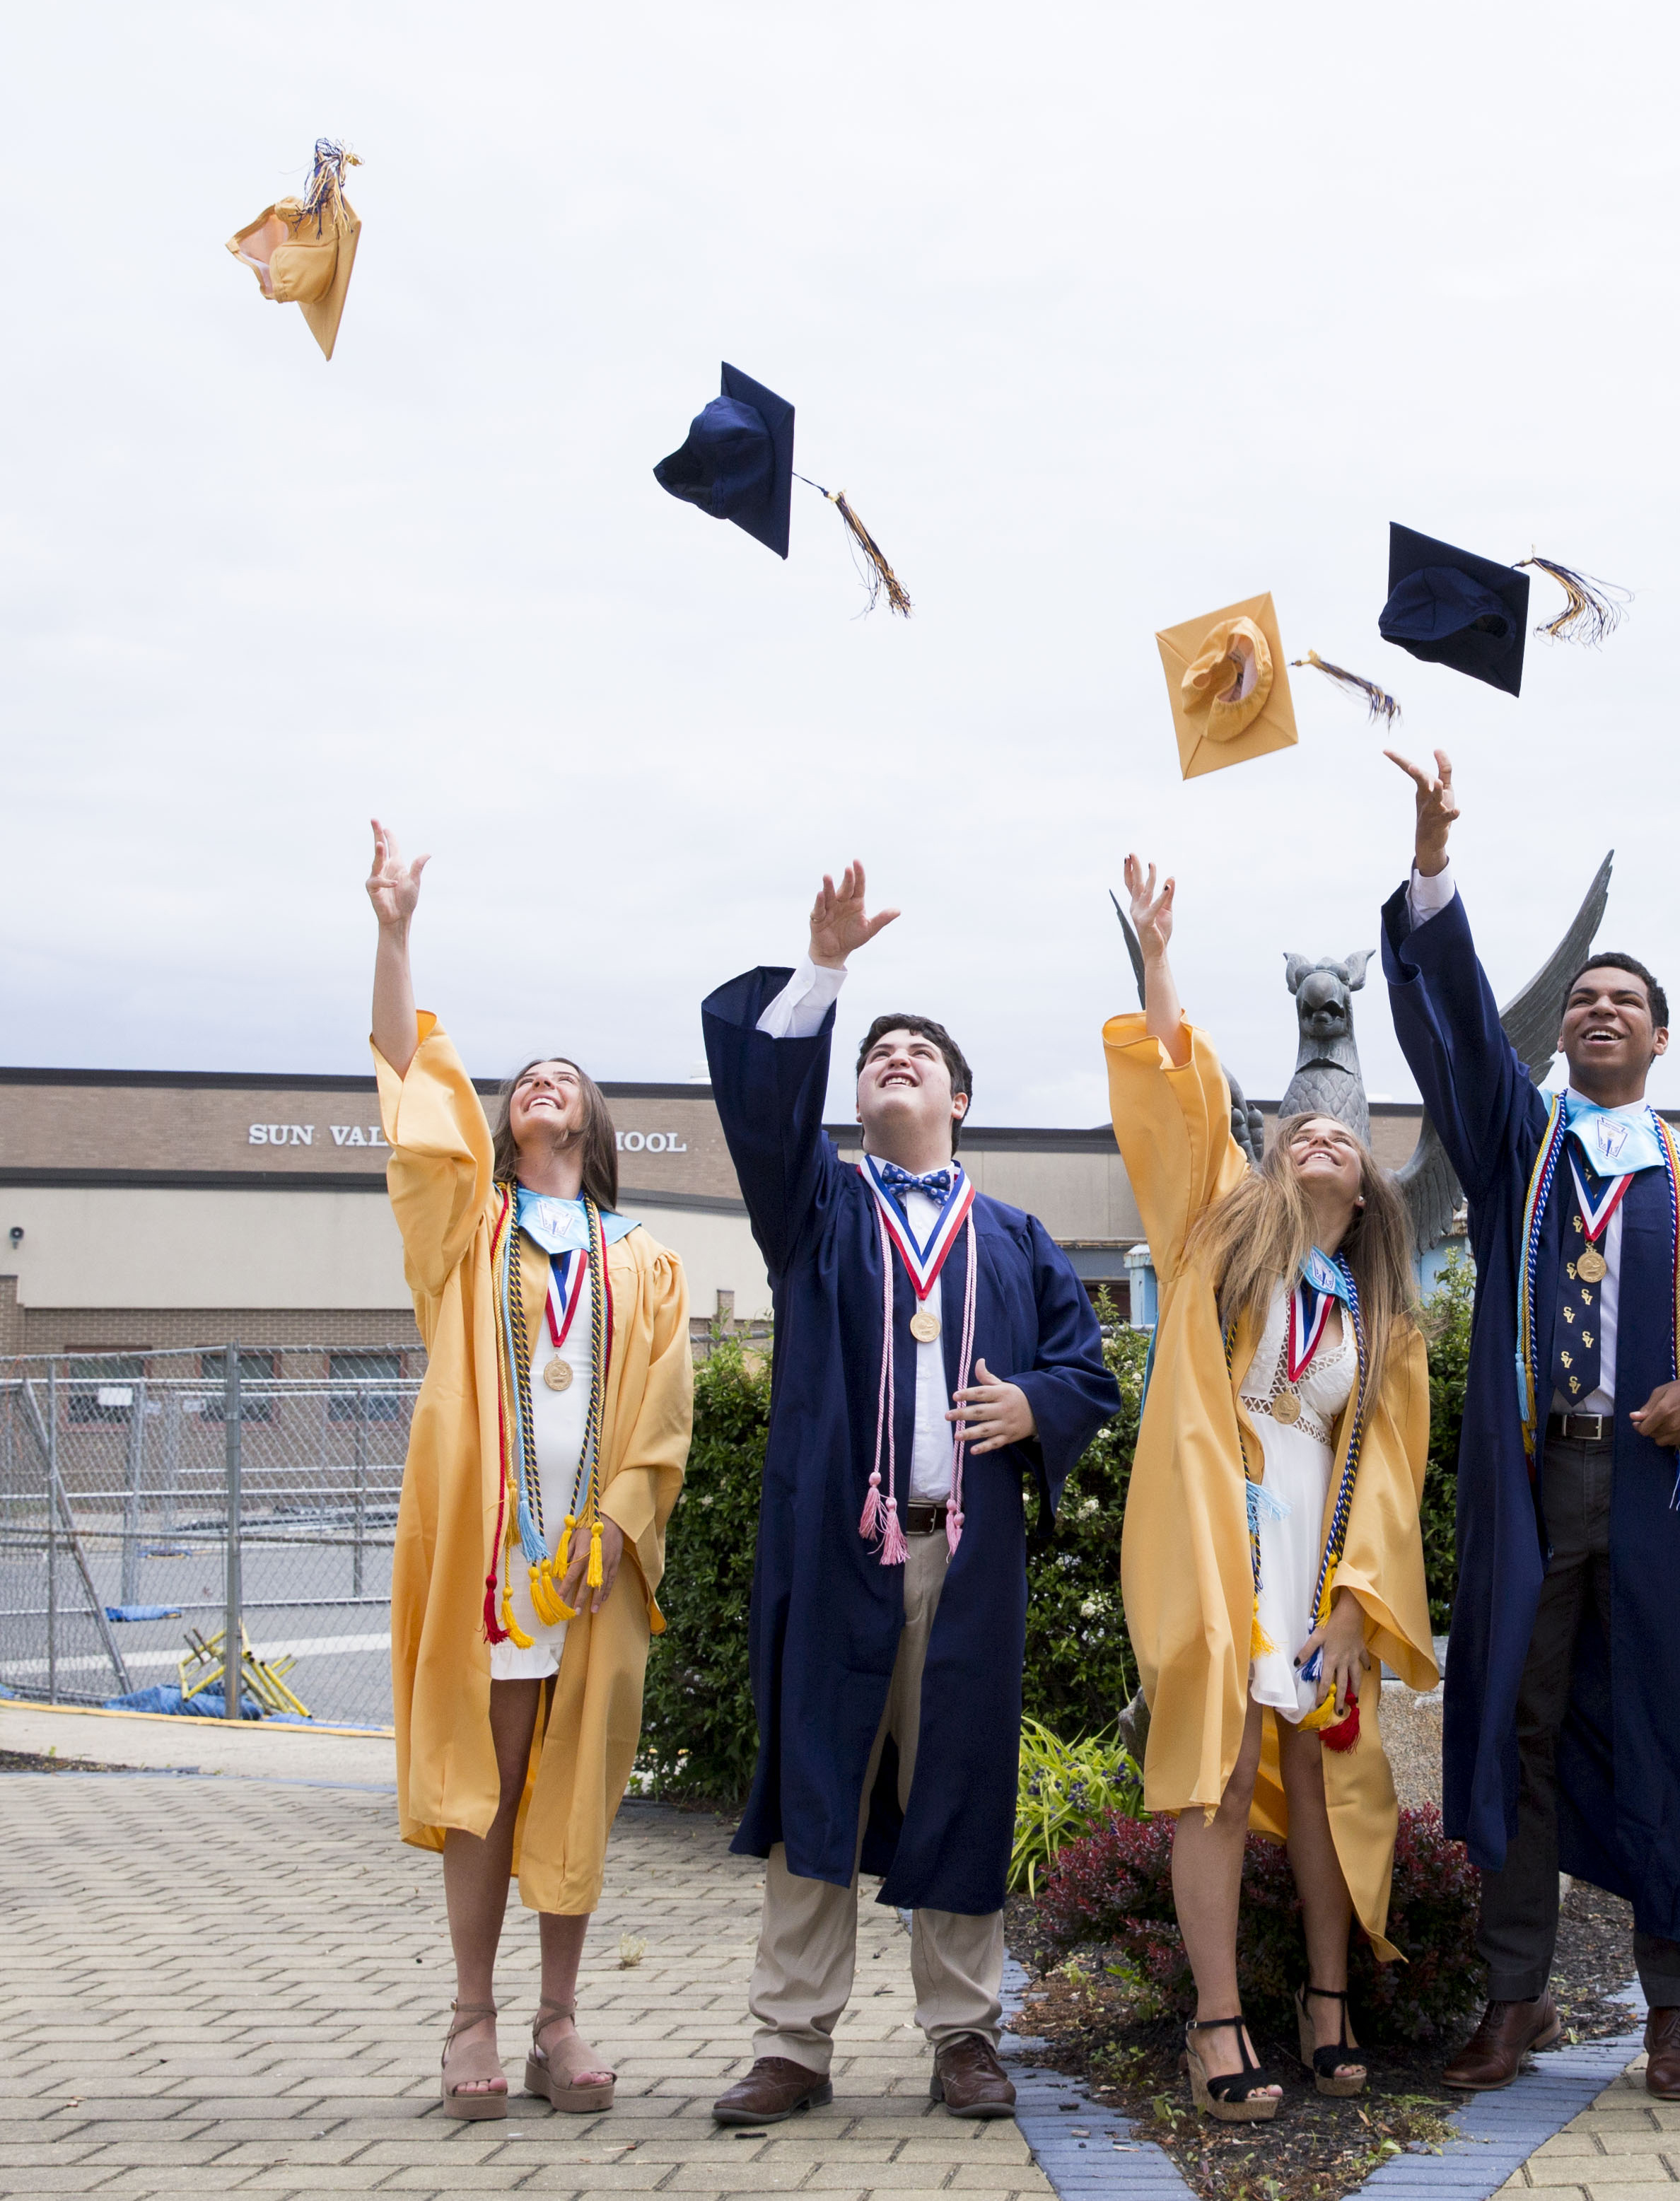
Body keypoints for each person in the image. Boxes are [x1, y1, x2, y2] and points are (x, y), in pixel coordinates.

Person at [1375, 750, 1680, 2103]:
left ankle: (1678, 2010)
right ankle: (1515, 2000)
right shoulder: (1520, 1153)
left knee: (1667, 1728)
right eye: (1587, 1001)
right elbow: (1452, 1026)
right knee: (1515, 1727)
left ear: (1663, 1040)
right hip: (1538, 1479)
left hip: (1658, 1495)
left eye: (1629, 1001)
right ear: (1561, 1036)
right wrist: (1435, 864)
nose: (1603, 1011)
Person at [699, 861, 1124, 2127]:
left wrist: (1034, 1409)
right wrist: (825, 969)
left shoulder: (1017, 1236)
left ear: (959, 1097)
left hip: (969, 1555)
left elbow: (1084, 1372)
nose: (892, 1057)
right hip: (840, 1552)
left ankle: (963, 2037)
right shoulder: (818, 1208)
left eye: (917, 1052)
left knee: (961, 1790)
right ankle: (792, 2043)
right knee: (818, 1781)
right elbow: (766, 1112)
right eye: (875, 1050)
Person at [364, 822, 696, 2120]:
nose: (544, 1083)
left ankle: (561, 2020)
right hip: (492, 1566)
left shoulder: (643, 1260)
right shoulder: (466, 1231)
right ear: (504, 1120)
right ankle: (470, 2018)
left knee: (572, 1795)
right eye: (527, 1077)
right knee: (484, 1792)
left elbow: (662, 1414)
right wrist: (394, 936)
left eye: (569, 1076)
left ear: (596, 1118)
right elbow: (408, 1085)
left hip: (589, 1568)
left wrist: (617, 1527)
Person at [1107, 855, 1439, 2123]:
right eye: (1303, 1125)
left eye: (1345, 1137)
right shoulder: (1219, 1237)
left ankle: (1328, 1998)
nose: (1322, 1136)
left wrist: (1362, 1601)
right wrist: (1156, 963)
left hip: (1320, 1555)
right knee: (1213, 1761)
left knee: (1320, 1771)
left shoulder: (1385, 1320)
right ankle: (1216, 2018)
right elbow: (1182, 1097)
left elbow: (1396, 1476)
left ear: (1367, 1190)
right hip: (1218, 1542)